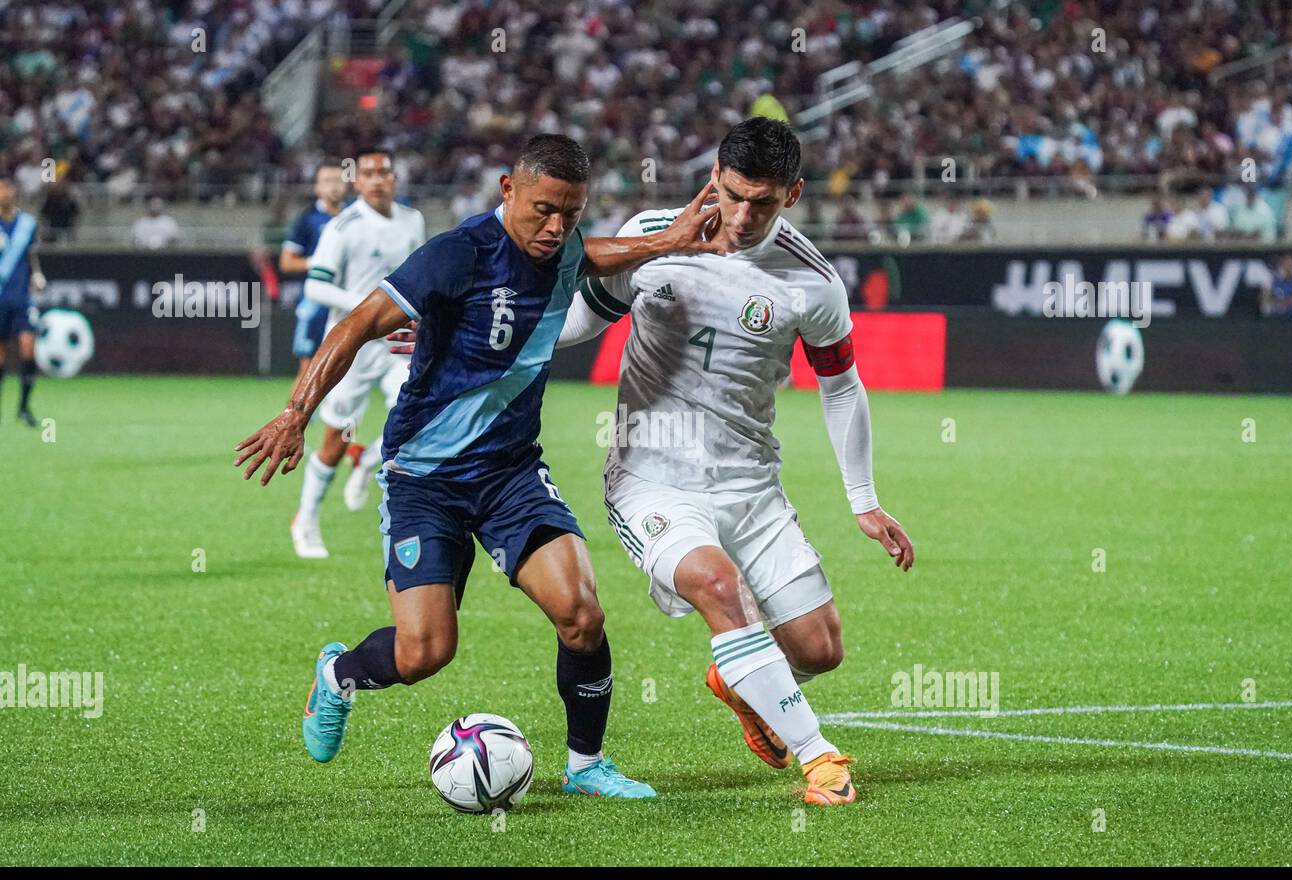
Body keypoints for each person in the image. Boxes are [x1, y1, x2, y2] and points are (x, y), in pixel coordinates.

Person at [234, 134, 724, 799]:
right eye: (543, 209)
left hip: (510, 473)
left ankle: (586, 764)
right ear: (507, 188)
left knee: (581, 614)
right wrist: (296, 411)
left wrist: (668, 242)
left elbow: (589, 255)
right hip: (423, 479)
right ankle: (337, 676)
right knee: (425, 652)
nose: (555, 228)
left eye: (570, 213)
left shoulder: (563, 244)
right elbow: (356, 323)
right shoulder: (455, 256)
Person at [557, 118, 915, 804]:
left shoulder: (812, 284)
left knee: (818, 649)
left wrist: (863, 499)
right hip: (651, 478)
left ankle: (738, 679)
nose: (743, 216)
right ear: (713, 175)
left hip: (750, 482)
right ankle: (821, 759)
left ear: (794, 194)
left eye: (764, 202)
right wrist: (479, 339)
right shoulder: (656, 235)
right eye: (733, 194)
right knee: (721, 591)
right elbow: (575, 322)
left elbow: (842, 386)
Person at [290, 148, 424, 557]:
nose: (379, 179)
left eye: (385, 172)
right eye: (370, 173)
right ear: (358, 182)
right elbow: (315, 285)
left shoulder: (412, 220)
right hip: (353, 346)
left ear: (394, 178)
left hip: (399, 344)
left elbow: (421, 276)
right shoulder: (342, 227)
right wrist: (367, 306)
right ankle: (307, 519)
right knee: (333, 438)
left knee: (419, 417)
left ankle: (366, 463)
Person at [279, 162, 347, 392]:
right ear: (317, 187)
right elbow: (286, 262)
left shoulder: (354, 218)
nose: (334, 186)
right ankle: (290, 425)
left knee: (347, 369)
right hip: (316, 302)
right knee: (308, 366)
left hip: (346, 300)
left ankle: (340, 425)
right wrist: (317, 263)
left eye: (338, 180)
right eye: (327, 181)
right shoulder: (307, 219)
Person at [0, 175, 45, 427]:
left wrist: (37, 274)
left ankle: (24, 407)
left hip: (21, 298)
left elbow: (31, 256)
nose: (4, 193)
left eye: (7, 189)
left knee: (28, 346)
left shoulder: (27, 224)